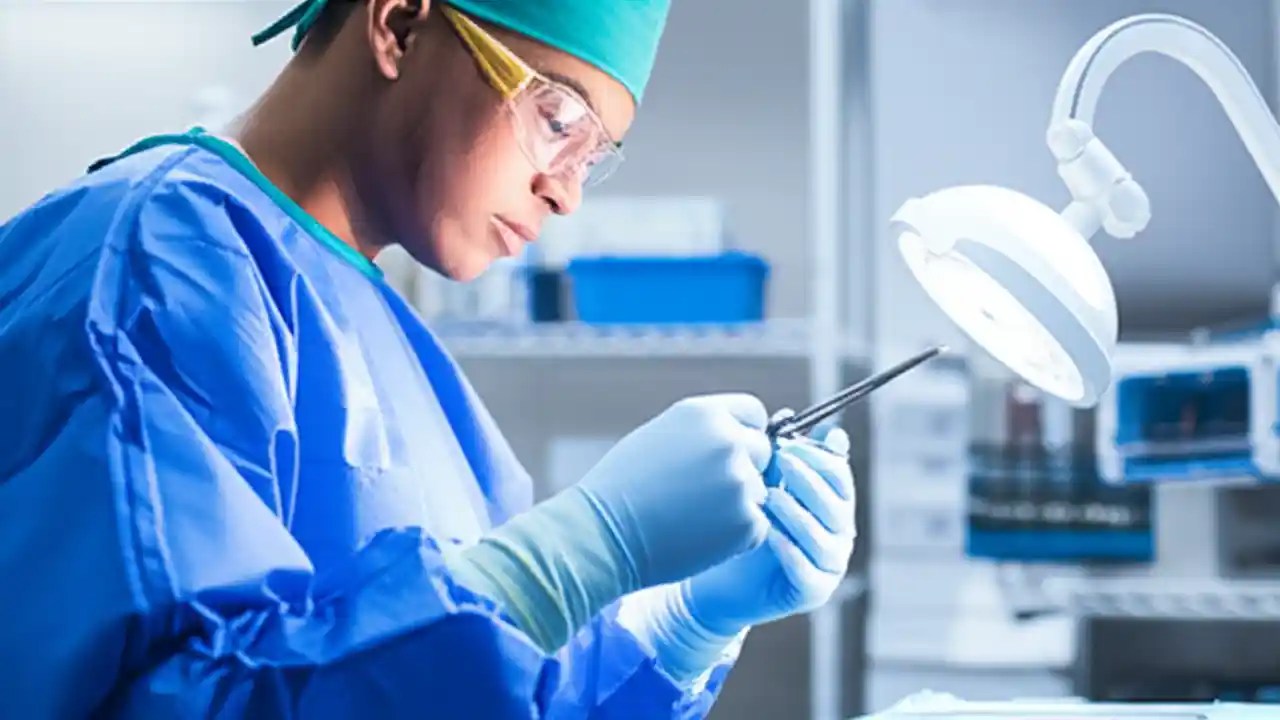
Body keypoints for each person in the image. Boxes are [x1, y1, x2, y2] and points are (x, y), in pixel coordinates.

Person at [0, 0, 858, 717]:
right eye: (557, 120)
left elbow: (483, 686)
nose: (563, 190)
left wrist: (677, 627)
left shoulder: (390, 338)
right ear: (401, 26)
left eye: (593, 158)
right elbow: (183, 700)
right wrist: (586, 547)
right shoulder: (152, 260)